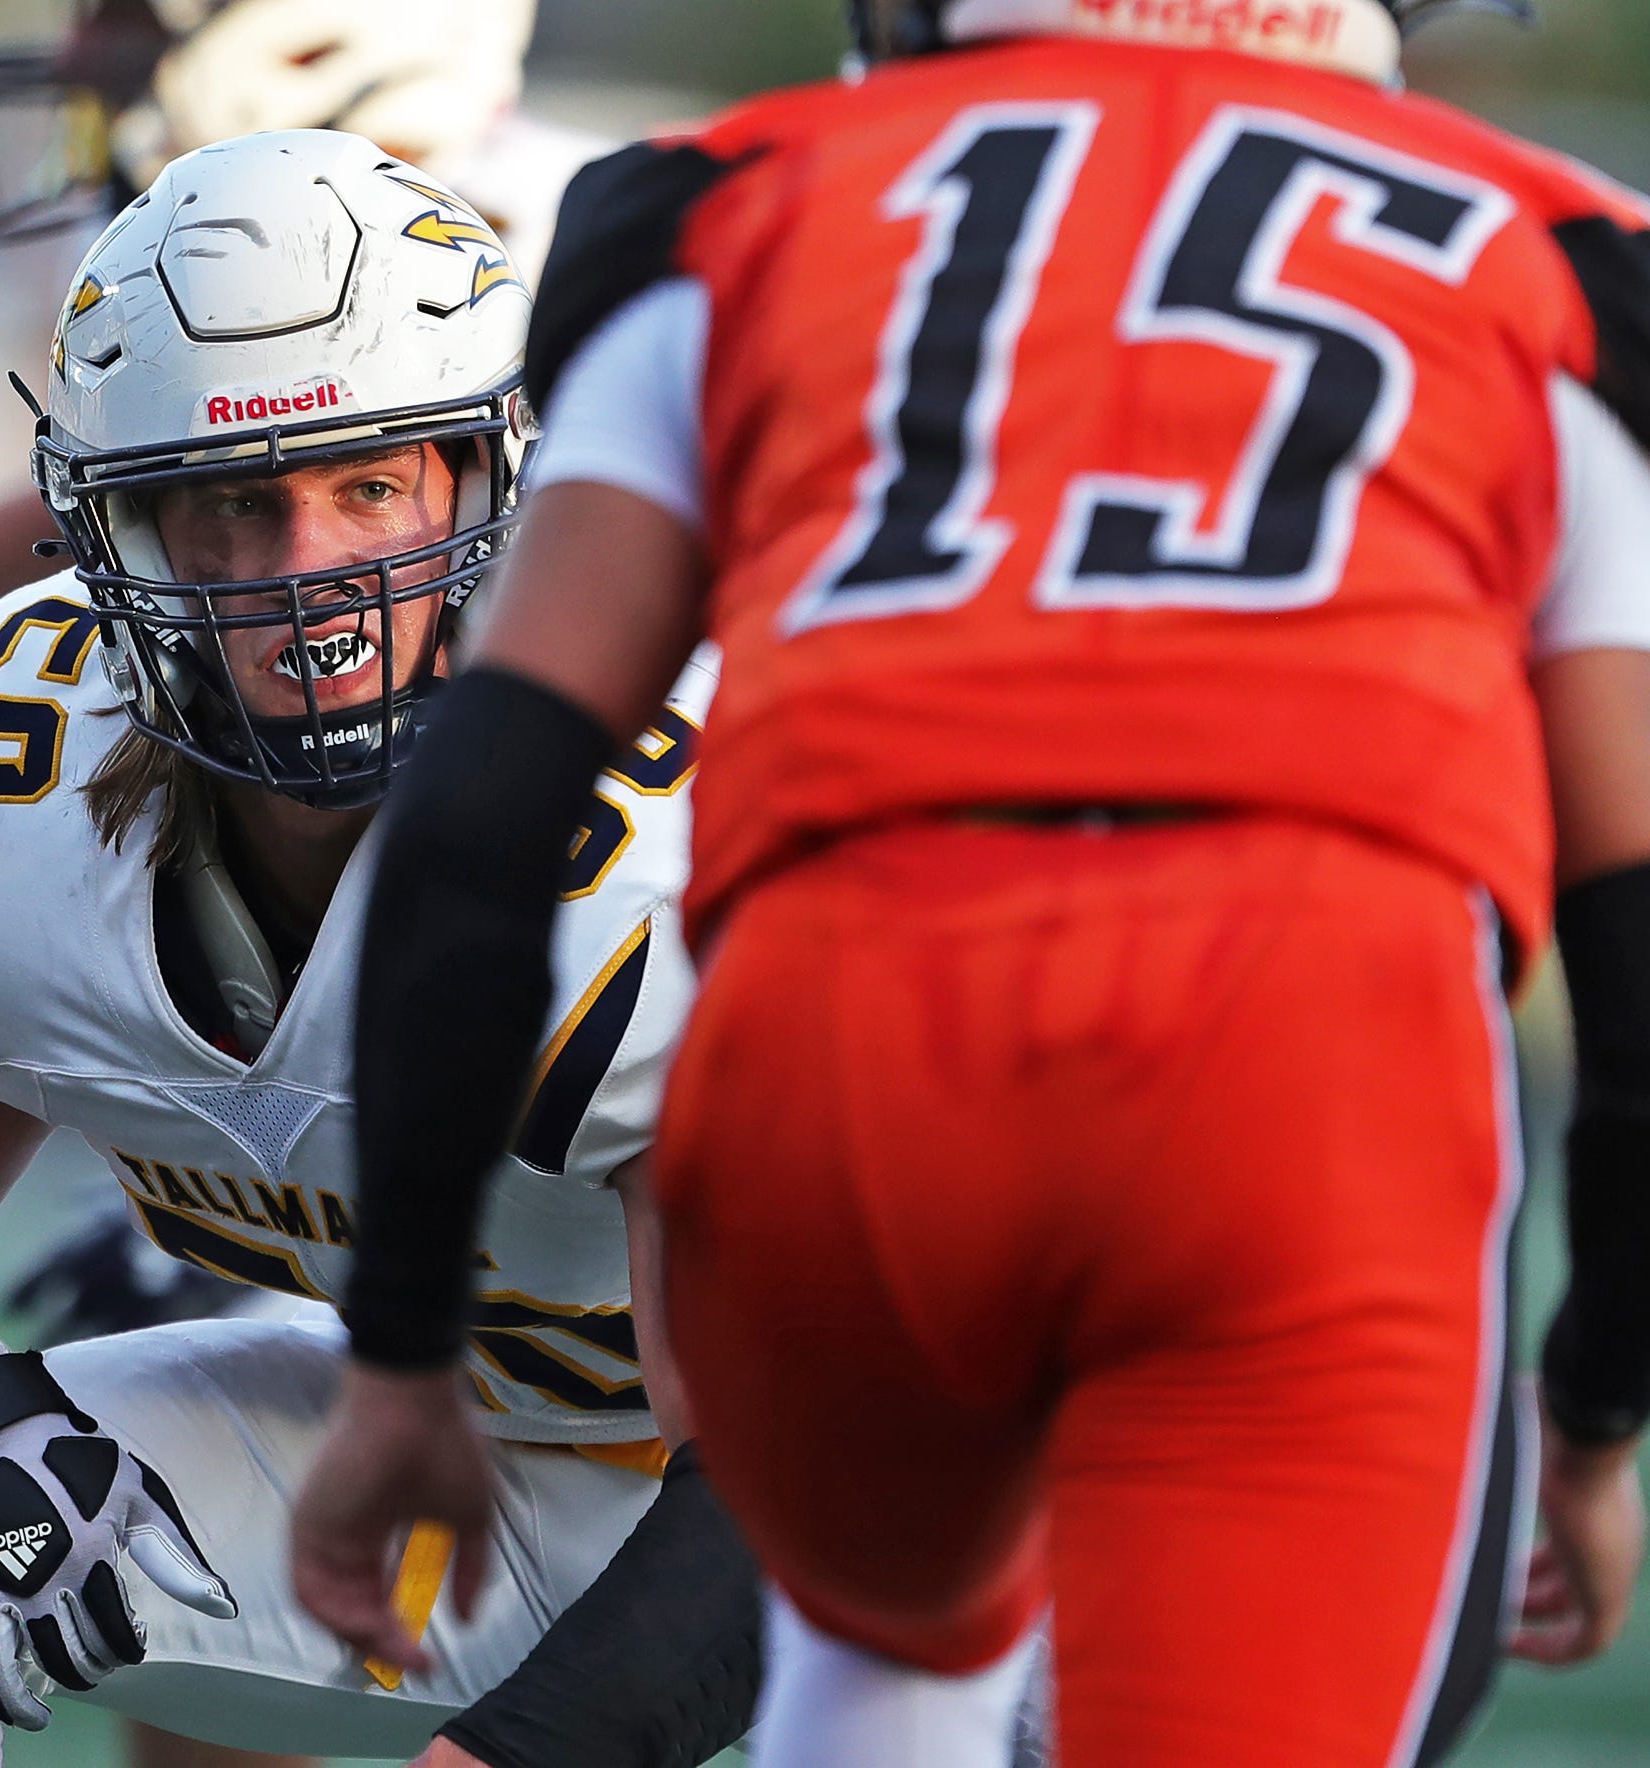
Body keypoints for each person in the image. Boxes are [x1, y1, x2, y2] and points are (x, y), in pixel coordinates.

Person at [294, 1, 1650, 1764]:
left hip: (850, 1034)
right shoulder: (1556, 254)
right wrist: (1602, 1411)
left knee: (880, 1671)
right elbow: (1634, 938)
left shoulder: (719, 202)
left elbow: (483, 805)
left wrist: (398, 1350)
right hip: (1306, 1053)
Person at [0, 129, 758, 1768]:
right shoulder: (15, 814)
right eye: (229, 503)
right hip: (464, 1463)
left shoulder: (646, 860)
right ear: (115, 536)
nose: (311, 580)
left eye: (370, 485)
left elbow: (778, 1514)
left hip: (878, 1521)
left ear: (491, 484)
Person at [0, 0, 605, 663]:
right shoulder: (288, 243)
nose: (83, 55)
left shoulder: (604, 257)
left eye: (134, 22)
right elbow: (112, 517)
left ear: (307, 43)